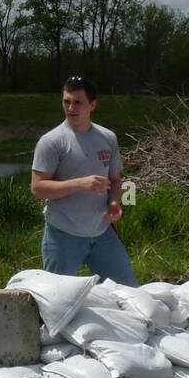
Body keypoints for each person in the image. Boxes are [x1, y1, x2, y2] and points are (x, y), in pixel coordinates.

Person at [30, 76, 138, 286]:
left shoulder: (107, 138)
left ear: (93, 105)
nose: (71, 108)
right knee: (57, 299)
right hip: (62, 235)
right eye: (66, 101)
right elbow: (37, 188)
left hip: (102, 233)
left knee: (129, 290)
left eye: (77, 102)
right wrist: (79, 184)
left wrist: (114, 202)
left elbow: (115, 180)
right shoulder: (51, 141)